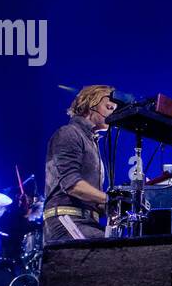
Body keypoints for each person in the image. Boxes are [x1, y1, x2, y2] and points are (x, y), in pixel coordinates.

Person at [42, 85, 117, 244]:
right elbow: (72, 184)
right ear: (92, 104)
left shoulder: (91, 141)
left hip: (87, 221)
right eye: (109, 107)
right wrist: (109, 199)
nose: (113, 113)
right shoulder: (69, 133)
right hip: (67, 219)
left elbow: (93, 198)